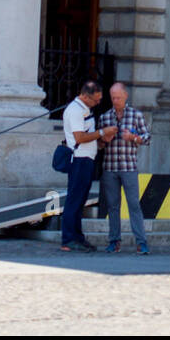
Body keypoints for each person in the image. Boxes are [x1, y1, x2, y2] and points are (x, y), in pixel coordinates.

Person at [60, 80, 116, 252]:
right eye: (95, 100)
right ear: (85, 95)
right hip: (79, 160)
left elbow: (86, 138)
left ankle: (77, 237)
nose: (98, 103)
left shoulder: (85, 109)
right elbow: (79, 138)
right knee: (74, 200)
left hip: (87, 158)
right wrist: (101, 132)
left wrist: (100, 143)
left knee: (80, 201)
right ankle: (68, 239)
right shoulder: (76, 111)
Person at [97, 81, 151, 254]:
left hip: (129, 167)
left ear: (126, 96)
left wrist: (133, 137)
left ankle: (141, 242)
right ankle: (114, 241)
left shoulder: (136, 116)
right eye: (113, 97)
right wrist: (104, 140)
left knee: (134, 204)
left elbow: (148, 138)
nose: (116, 100)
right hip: (110, 168)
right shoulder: (105, 117)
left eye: (118, 97)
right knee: (112, 206)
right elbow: (98, 144)